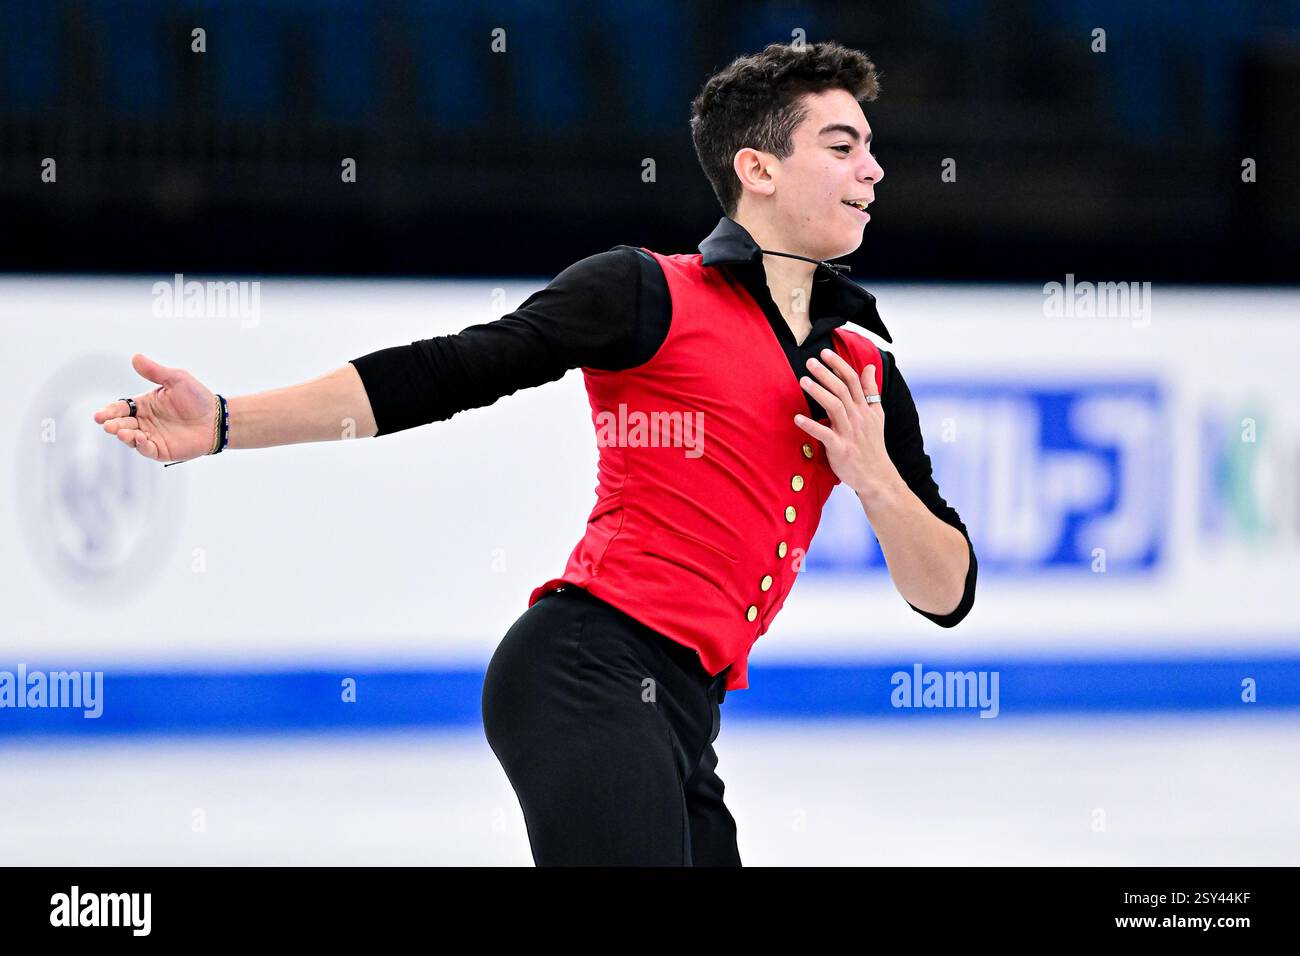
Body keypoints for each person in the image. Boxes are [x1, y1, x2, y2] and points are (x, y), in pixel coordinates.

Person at [93, 41, 976, 866]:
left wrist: (873, 476)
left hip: (683, 710)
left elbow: (946, 595)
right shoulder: (646, 292)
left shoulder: (861, 369)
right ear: (758, 168)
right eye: (843, 144)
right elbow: (448, 370)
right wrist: (223, 422)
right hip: (583, 671)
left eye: (871, 147)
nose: (874, 167)